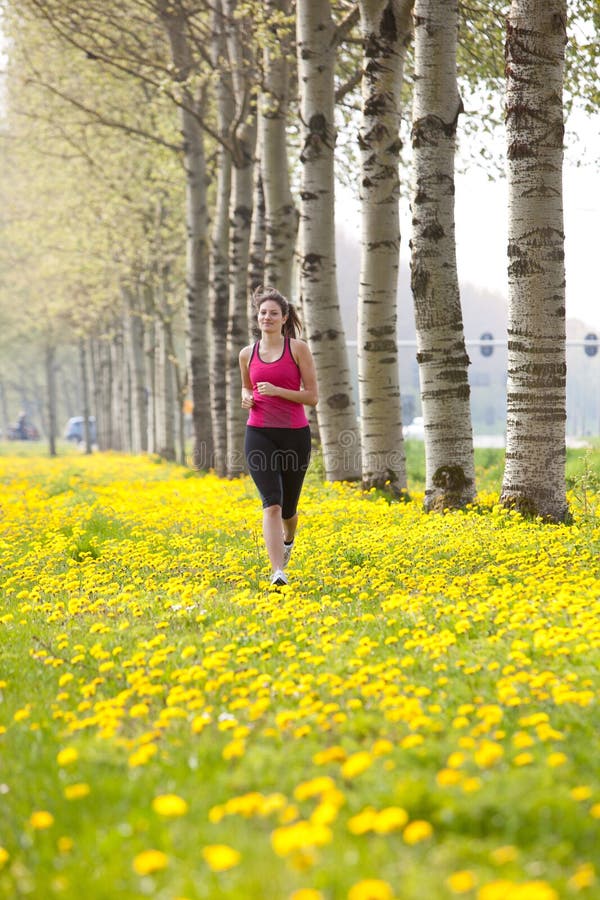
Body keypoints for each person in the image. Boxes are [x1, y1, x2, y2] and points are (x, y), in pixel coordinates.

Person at [239, 285, 318, 587]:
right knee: (271, 503)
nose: (267, 317)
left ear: (285, 318)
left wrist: (279, 392)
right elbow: (247, 387)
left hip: (295, 436)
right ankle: (277, 572)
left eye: (274, 313)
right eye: (263, 313)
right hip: (258, 433)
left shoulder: (297, 349)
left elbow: (312, 397)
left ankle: (288, 539)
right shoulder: (247, 354)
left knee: (288, 509)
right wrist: (247, 397)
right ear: (257, 318)